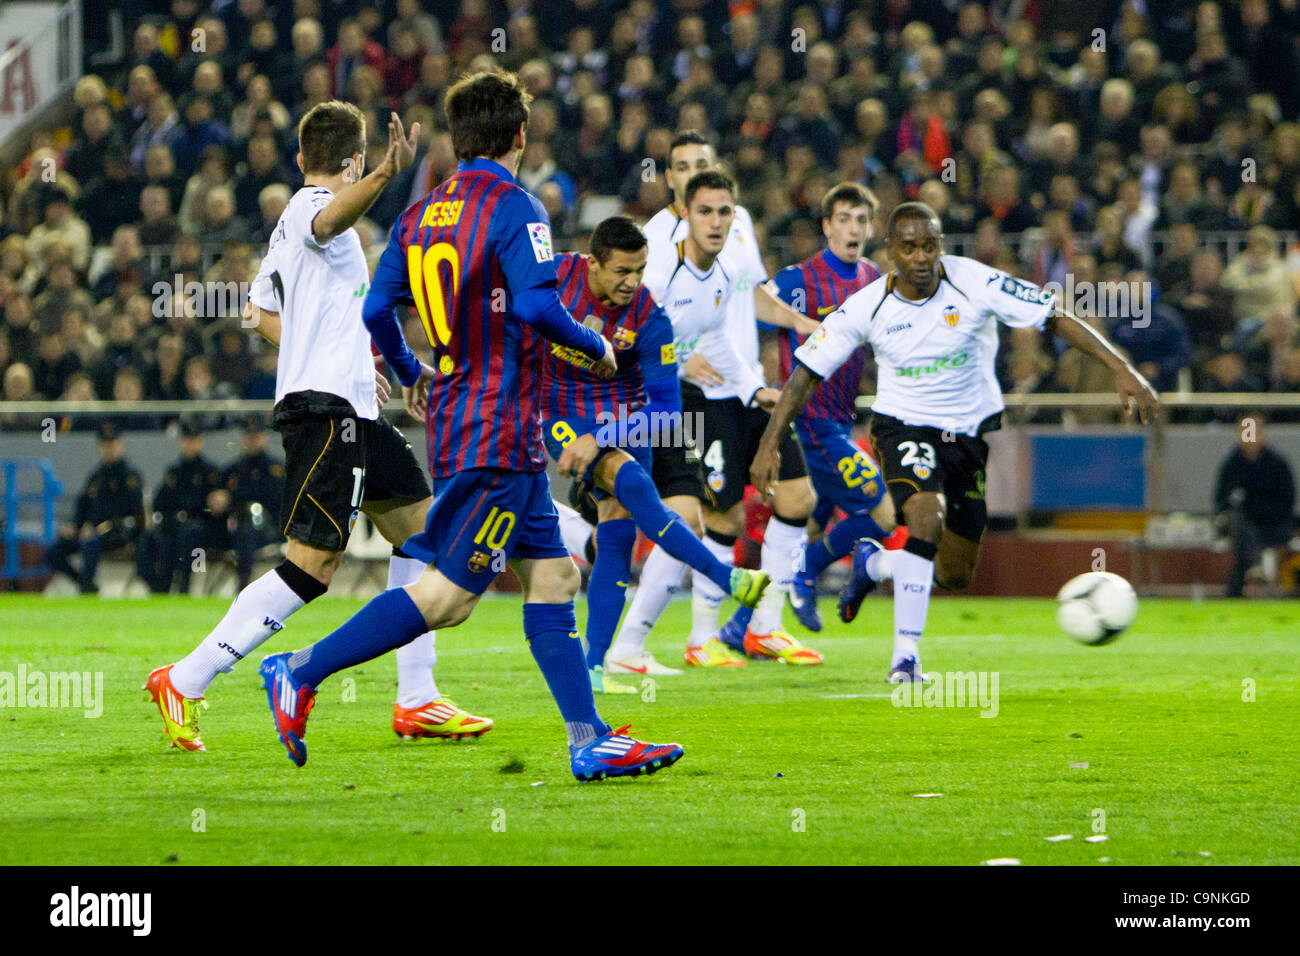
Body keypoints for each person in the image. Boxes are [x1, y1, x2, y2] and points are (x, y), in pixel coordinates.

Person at [256, 70, 688, 782]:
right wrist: (596, 344)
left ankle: (589, 738)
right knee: (448, 599)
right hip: (500, 429)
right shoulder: (518, 209)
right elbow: (536, 309)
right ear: (520, 136)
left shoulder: (421, 212)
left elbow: (376, 314)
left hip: (465, 418)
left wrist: (414, 371)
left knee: (553, 576)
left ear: (460, 139)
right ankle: (299, 669)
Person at [146, 102, 490, 752]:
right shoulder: (311, 208)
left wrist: (347, 355)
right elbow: (333, 214)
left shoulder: (290, 232)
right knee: (312, 566)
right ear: (354, 161)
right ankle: (187, 679)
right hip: (326, 413)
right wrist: (391, 172)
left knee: (424, 538)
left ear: (302, 154)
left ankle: (417, 698)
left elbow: (257, 312)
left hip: (352, 406)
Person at [751, 202, 1159, 682]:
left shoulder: (977, 282)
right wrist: (768, 443)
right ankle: (906, 660)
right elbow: (805, 376)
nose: (921, 257)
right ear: (890, 252)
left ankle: (875, 562)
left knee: (954, 573)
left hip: (967, 434)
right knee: (926, 517)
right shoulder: (867, 305)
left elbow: (1054, 316)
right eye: (909, 247)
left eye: (930, 245)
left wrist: (1120, 367)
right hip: (902, 424)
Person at [610, 135, 823, 670]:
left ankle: (629, 647)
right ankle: (625, 646)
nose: (717, 220)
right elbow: (625, 331)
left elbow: (718, 335)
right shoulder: (657, 266)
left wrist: (754, 388)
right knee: (677, 522)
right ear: (681, 207)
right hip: (655, 401)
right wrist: (678, 365)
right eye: (705, 211)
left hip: (710, 394)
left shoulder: (725, 270)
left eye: (724, 212)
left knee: (765, 504)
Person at [539, 215, 771, 693]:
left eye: (640, 271)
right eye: (622, 271)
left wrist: (603, 436)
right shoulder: (556, 277)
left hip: (626, 420)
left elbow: (667, 413)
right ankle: (723, 578)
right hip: (561, 412)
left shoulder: (649, 318)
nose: (632, 282)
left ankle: (595, 667)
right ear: (592, 263)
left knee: (617, 539)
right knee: (632, 483)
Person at [752, 182, 898, 635]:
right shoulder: (799, 279)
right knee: (886, 515)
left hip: (843, 420)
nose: (853, 228)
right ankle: (809, 570)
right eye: (843, 219)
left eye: (861, 220)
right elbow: (749, 309)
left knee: (801, 528)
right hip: (810, 424)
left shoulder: (873, 277)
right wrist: (757, 380)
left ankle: (745, 627)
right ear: (826, 226)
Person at [46, 422, 145, 594]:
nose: (109, 449)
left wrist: (96, 527)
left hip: (118, 533)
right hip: (90, 532)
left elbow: (131, 511)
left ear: (120, 445)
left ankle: (85, 587)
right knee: (53, 552)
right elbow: (83, 505)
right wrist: (75, 526)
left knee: (90, 542)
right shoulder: (95, 476)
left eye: (112, 444)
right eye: (105, 445)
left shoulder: (130, 476)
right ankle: (85, 583)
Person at [134, 419, 224, 596]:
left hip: (201, 529)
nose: (190, 445)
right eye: (186, 440)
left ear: (200, 442)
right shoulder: (174, 472)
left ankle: (184, 586)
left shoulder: (210, 472)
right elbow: (160, 502)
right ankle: (158, 588)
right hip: (172, 526)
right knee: (147, 539)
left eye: (194, 440)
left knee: (189, 532)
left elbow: (211, 507)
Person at [1214, 413, 1296, 597]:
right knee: (1239, 522)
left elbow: (1286, 502)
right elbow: (1221, 501)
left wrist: (1258, 510)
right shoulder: (1232, 465)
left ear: (1262, 434)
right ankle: (1257, 567)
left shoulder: (1278, 464)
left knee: (1245, 533)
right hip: (1241, 526)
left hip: (1272, 525)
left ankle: (1242, 581)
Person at [220, 418, 285, 590]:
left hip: (268, 527)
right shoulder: (232, 470)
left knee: (245, 533)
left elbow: (275, 498)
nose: (252, 440)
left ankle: (243, 586)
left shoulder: (275, 468)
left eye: (256, 436)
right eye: (249, 436)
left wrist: (233, 496)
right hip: (234, 527)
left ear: (264, 437)